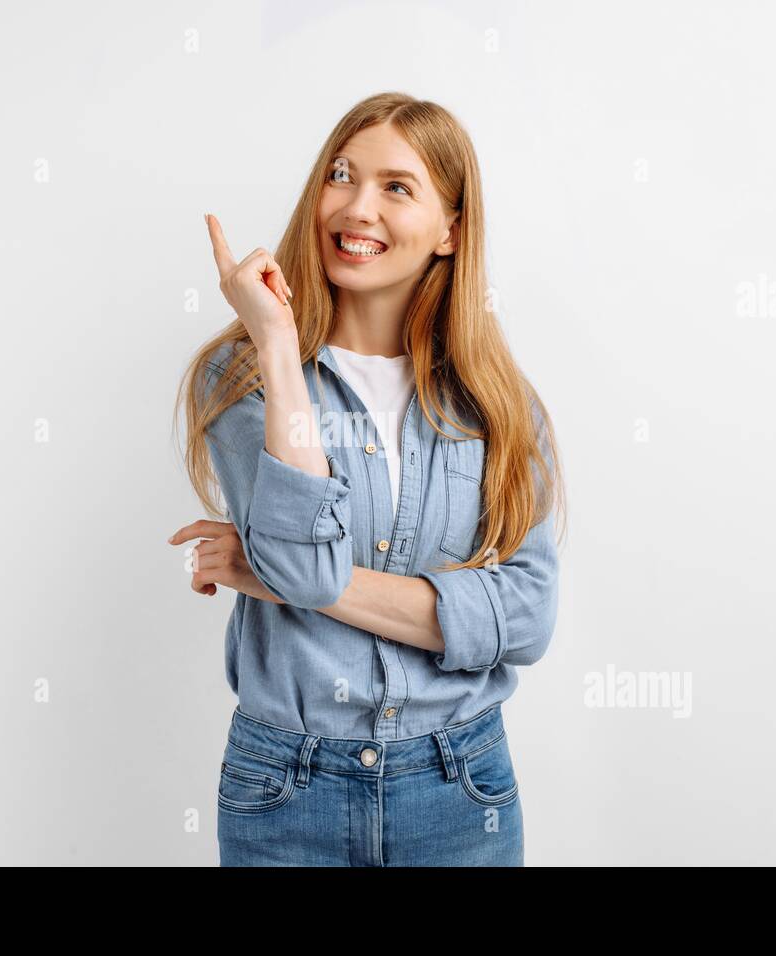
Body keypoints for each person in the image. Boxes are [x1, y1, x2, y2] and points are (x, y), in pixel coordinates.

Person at [169, 91, 565, 866]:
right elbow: (304, 568)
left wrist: (276, 575)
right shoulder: (243, 375)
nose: (356, 207)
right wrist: (279, 345)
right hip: (286, 789)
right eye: (342, 175)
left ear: (451, 230)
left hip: (461, 787)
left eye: (396, 186)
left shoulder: (497, 402)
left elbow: (527, 620)